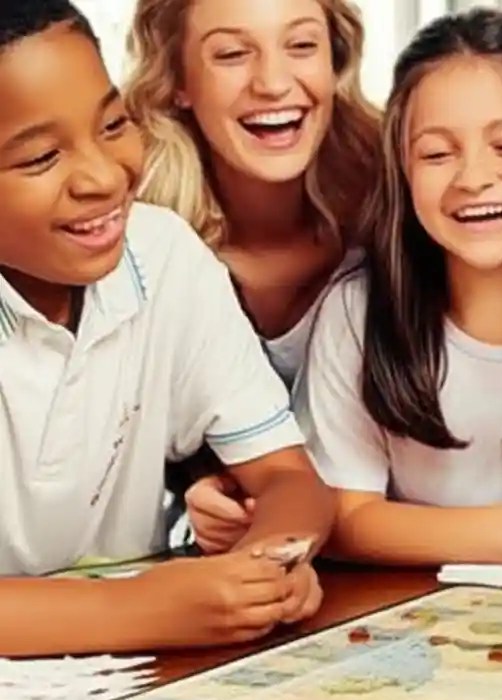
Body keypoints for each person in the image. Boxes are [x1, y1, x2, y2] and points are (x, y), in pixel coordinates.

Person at [186, 8, 502, 586]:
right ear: (402, 172)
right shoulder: (360, 314)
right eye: (437, 155)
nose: (473, 178)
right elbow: (342, 514)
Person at [0, 0, 335, 656]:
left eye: (113, 123)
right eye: (41, 158)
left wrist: (266, 569)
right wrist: (129, 610)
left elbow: (288, 478)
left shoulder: (164, 257)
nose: (102, 176)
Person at [123, 0, 382, 545]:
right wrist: (201, 483)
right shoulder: (138, 239)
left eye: (302, 45)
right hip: (245, 565)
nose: (272, 82)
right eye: (233, 53)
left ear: (334, 61)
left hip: (403, 555)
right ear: (178, 81)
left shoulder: (402, 198)